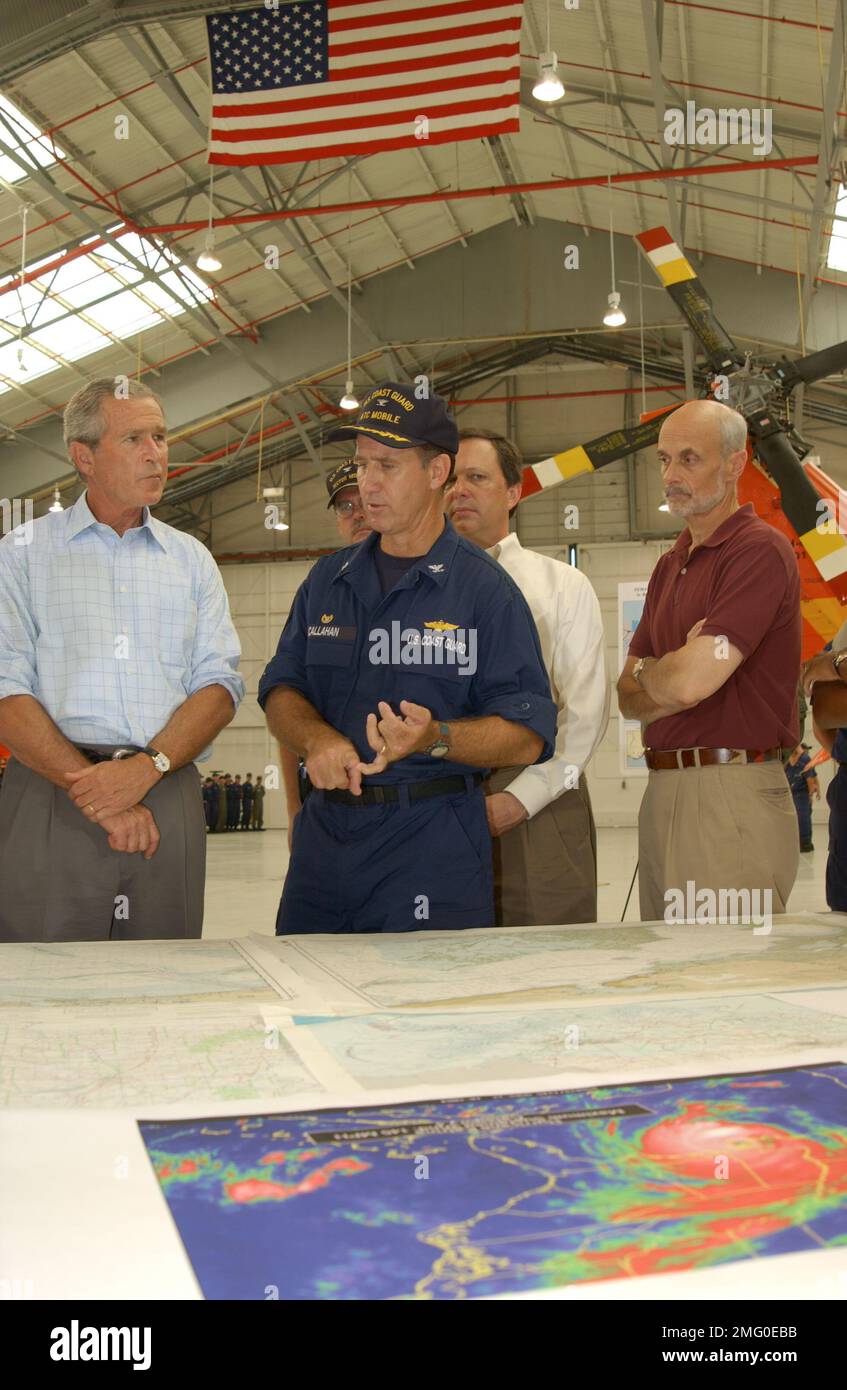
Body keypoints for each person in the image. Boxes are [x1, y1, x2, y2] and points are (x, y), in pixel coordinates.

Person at [259, 382, 557, 934]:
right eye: (362, 464)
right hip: (326, 846)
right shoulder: (328, 581)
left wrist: (436, 737)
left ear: (437, 472)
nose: (367, 484)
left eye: (387, 466)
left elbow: (528, 733)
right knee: (313, 1002)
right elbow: (281, 690)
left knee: (430, 1011)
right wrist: (315, 738)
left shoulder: (486, 592)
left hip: (431, 842)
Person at [0, 378, 244, 942]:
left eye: (159, 436)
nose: (156, 453)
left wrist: (147, 769)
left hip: (166, 792)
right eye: (134, 438)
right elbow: (6, 691)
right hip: (51, 795)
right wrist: (96, 792)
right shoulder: (22, 557)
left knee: (164, 977)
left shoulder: (192, 560)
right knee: (44, 986)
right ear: (84, 456)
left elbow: (219, 685)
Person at [616, 398, 800, 922]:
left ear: (736, 464)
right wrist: (665, 674)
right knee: (669, 977)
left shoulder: (758, 551)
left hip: (729, 795)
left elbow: (692, 682)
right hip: (663, 791)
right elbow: (627, 697)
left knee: (725, 973)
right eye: (663, 460)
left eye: (689, 459)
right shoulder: (668, 565)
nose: (671, 475)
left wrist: (656, 671)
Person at [447, 427, 609, 925]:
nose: (460, 491)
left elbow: (586, 713)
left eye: (477, 477)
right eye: (451, 479)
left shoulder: (562, 585)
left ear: (513, 493)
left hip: (541, 803)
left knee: (549, 964)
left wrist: (522, 798)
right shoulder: (420, 592)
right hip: (443, 800)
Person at [282, 458, 373, 845]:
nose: (357, 515)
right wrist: (293, 811)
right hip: (328, 806)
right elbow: (287, 702)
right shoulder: (318, 590)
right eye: (345, 507)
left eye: (366, 501)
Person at [784, 744, 819, 852]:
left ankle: (805, 844)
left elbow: (811, 778)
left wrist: (810, 795)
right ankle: (796, 843)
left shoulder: (805, 759)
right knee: (793, 821)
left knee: (803, 819)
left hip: (802, 794)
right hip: (792, 794)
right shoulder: (789, 760)